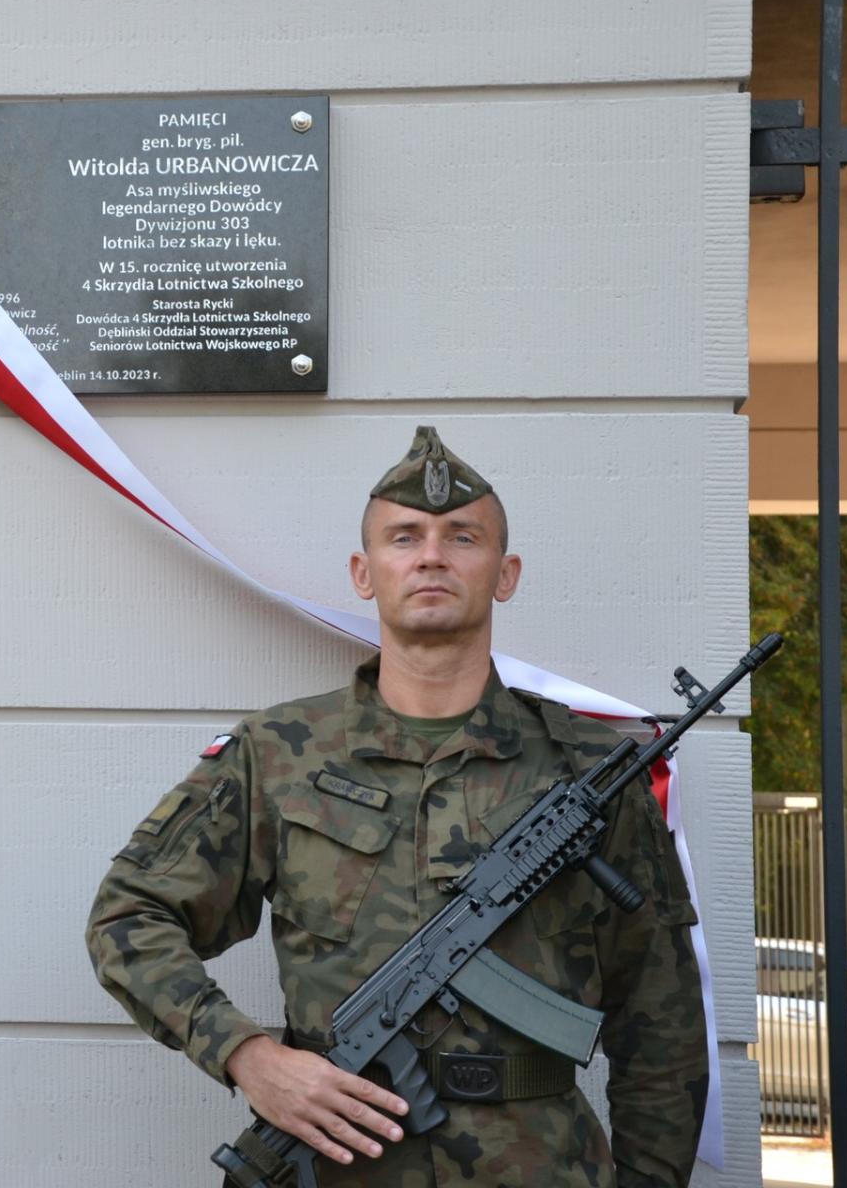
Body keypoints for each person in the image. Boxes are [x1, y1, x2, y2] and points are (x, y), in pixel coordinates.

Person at [86, 427, 707, 1188]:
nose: (432, 556)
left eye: (463, 537)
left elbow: (662, 1021)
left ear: (505, 573)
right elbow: (130, 918)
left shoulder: (587, 772)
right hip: (339, 1165)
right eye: (404, 537)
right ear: (365, 573)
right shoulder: (281, 751)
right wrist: (249, 1058)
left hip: (540, 1165)